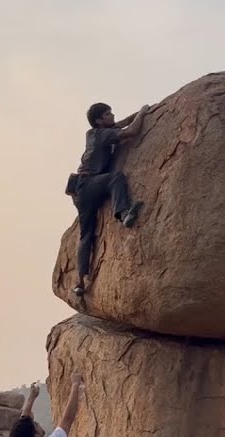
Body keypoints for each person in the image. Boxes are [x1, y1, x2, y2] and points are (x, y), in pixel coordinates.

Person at [66, 102, 154, 297]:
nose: (112, 116)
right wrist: (142, 113)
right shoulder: (104, 135)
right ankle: (123, 214)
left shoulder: (93, 134)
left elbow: (123, 122)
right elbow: (131, 130)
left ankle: (80, 283)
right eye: (108, 114)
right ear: (99, 120)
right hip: (90, 184)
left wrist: (144, 110)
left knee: (86, 235)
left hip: (81, 190)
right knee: (116, 177)